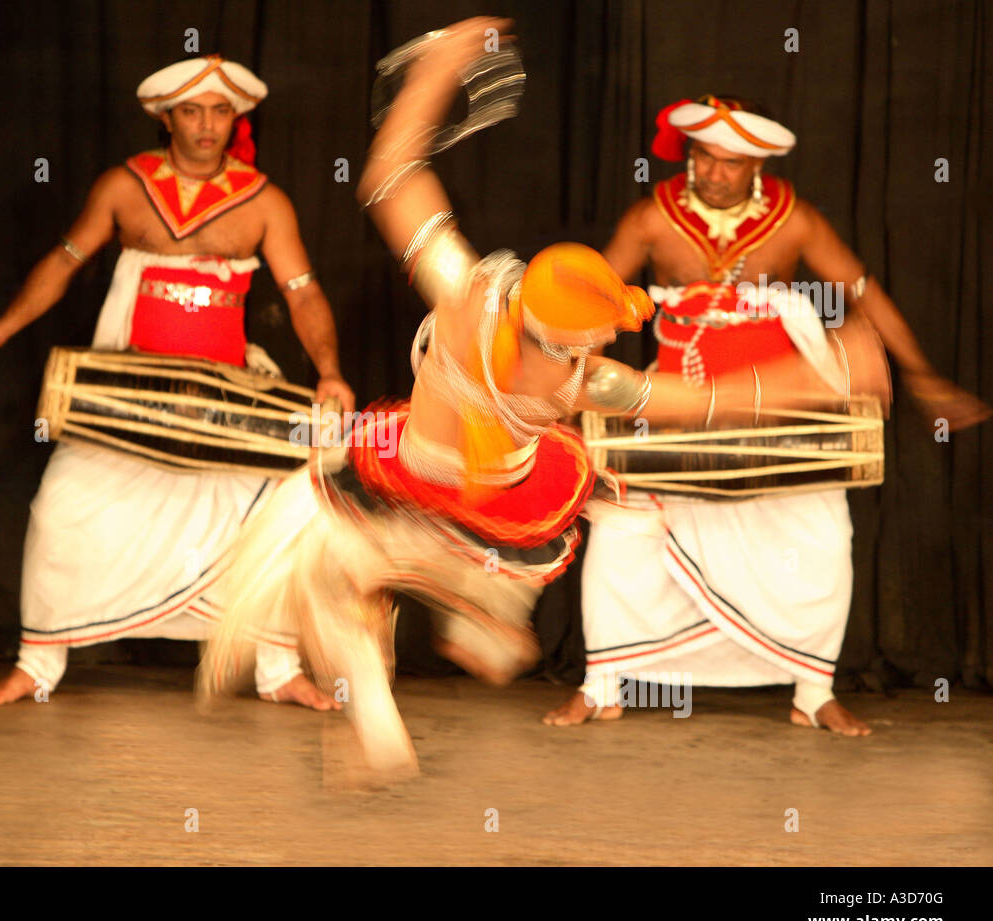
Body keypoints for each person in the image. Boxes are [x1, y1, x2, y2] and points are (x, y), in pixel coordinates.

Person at [197, 21, 891, 773]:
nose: (594, 353)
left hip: (446, 485)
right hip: (474, 496)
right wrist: (822, 375)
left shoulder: (471, 295)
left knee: (386, 579)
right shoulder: (573, 370)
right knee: (446, 612)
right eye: (586, 343)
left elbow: (390, 177)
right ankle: (422, 628)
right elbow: (701, 403)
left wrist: (440, 67)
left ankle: (426, 618)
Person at [544, 94, 985, 734]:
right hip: (676, 403)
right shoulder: (651, 218)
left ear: (758, 164)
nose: (716, 173)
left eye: (732, 163)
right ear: (690, 156)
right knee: (623, 532)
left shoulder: (794, 221)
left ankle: (814, 694)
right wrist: (560, 385)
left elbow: (860, 290)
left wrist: (919, 375)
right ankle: (602, 684)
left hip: (780, 409)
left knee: (823, 538)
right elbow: (595, 301)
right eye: (705, 158)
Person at [0, 55, 352, 711]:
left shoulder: (265, 200)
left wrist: (328, 369)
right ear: (167, 117)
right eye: (192, 110)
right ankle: (36, 665)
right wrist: (4, 327)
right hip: (124, 396)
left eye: (221, 111)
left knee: (276, 520)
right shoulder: (125, 187)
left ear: (237, 117)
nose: (208, 124)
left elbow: (303, 294)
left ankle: (278, 670)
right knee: (60, 510)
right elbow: (65, 261)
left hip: (226, 397)